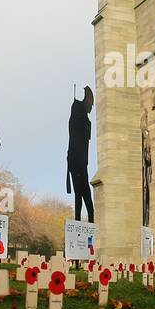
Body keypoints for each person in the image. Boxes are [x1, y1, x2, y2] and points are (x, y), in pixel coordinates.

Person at [66, 86, 94, 222]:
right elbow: (78, 138)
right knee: (83, 193)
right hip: (77, 161)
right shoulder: (79, 115)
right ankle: (85, 221)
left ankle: (83, 220)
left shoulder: (81, 117)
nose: (91, 108)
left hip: (79, 161)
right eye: (90, 104)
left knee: (81, 194)